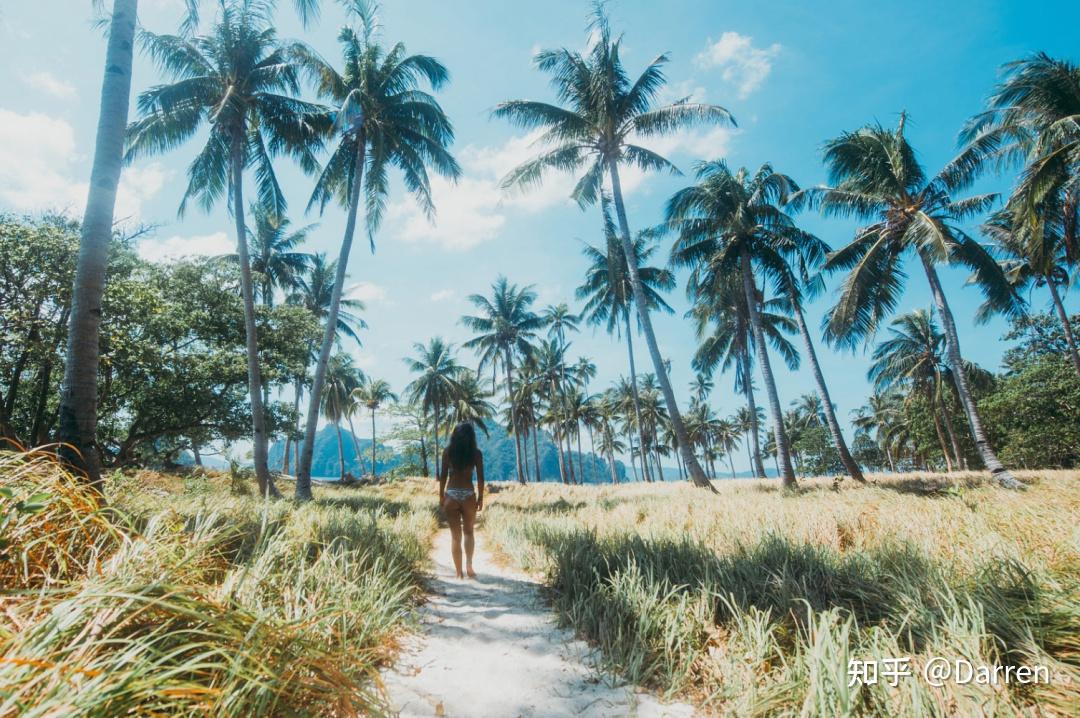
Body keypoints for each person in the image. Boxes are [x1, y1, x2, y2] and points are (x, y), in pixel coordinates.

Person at [438, 422, 485, 578]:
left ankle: (458, 573)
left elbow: (443, 476)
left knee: (455, 537)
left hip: (451, 494)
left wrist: (441, 495)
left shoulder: (448, 452)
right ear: (471, 437)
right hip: (468, 495)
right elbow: (480, 478)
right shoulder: (476, 453)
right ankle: (469, 566)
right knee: (469, 532)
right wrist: (480, 497)